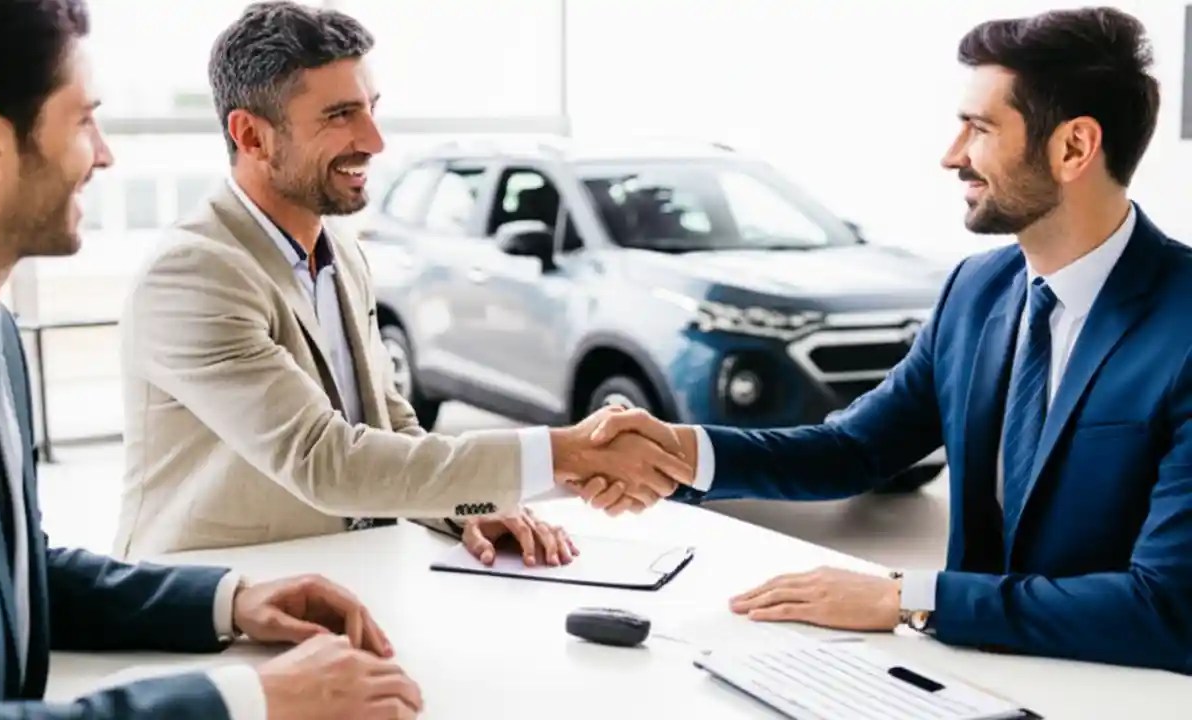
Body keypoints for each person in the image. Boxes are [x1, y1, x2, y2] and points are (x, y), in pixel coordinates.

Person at [585, 7, 1192, 673]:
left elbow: (1166, 609)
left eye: (980, 128)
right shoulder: (978, 290)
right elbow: (855, 449)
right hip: (972, 680)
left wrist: (906, 598)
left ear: (1073, 147)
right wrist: (677, 452)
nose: (951, 154)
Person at [0, 1, 424, 717]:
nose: (106, 154)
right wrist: (248, 701)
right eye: (83, 120)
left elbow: (15, 573)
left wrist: (230, 601)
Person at [113, 1, 692, 562]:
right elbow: (325, 460)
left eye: (371, 107)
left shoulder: (342, 253)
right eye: (340, 116)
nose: (374, 139)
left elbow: (391, 425)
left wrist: (466, 507)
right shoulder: (195, 273)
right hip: (211, 601)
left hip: (344, 574)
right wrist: (564, 452)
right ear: (252, 136)